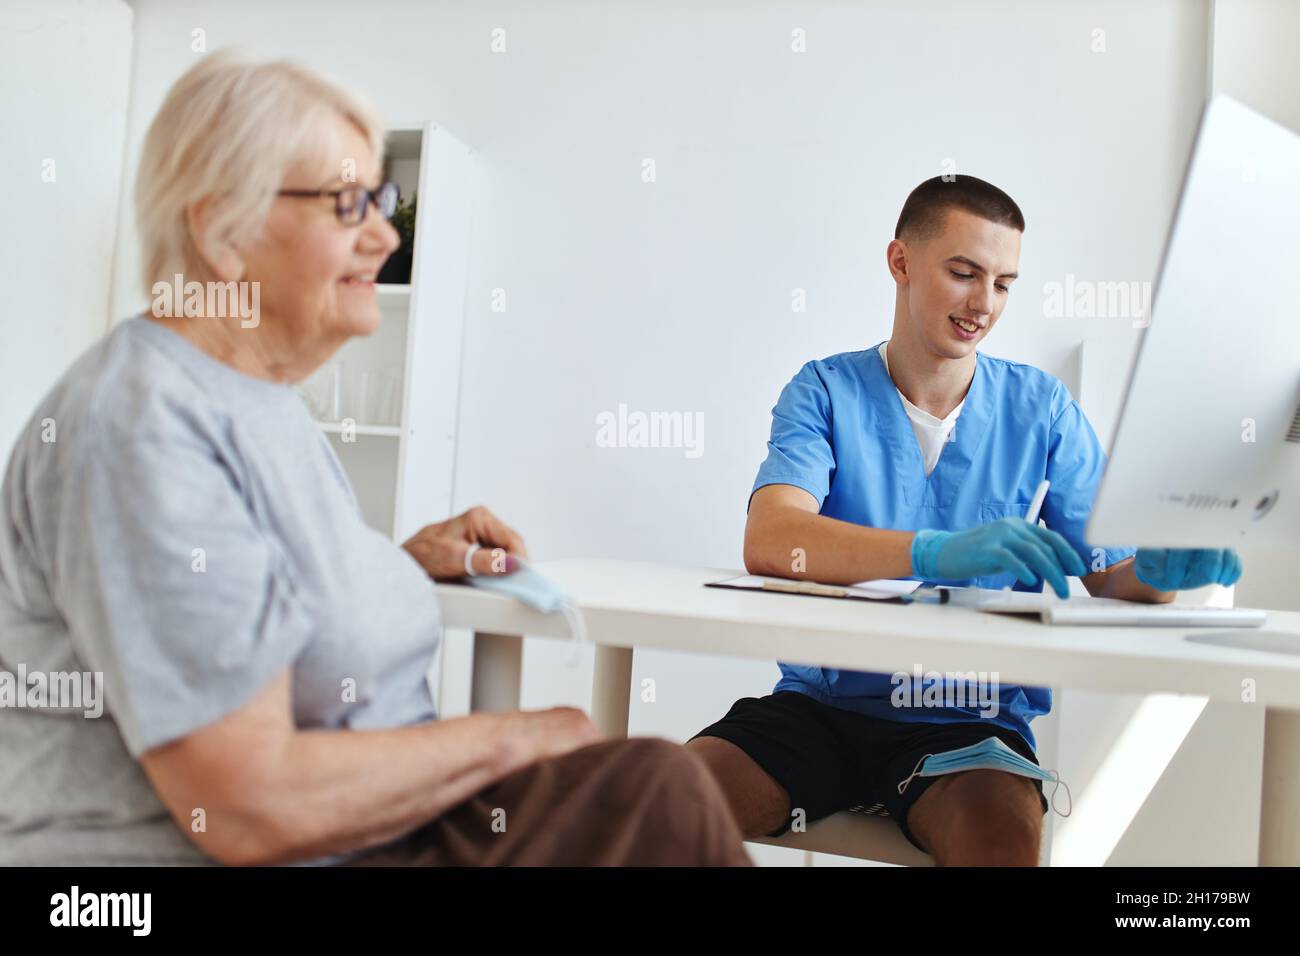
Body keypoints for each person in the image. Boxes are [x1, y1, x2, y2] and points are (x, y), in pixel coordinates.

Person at [0, 50, 750, 868]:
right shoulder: (139, 424)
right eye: (347, 204)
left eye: (380, 200)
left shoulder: (260, 399)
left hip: (370, 837)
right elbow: (245, 804)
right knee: (654, 793)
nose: (386, 235)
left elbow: (247, 599)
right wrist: (517, 738)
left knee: (652, 790)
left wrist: (395, 565)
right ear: (220, 232)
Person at [685, 175, 1242, 866]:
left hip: (968, 721)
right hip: (822, 708)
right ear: (901, 263)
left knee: (999, 848)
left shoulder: (1041, 409)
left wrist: (1158, 574)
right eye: (963, 273)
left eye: (1004, 283)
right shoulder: (825, 391)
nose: (984, 303)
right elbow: (772, 541)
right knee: (655, 808)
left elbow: (1110, 578)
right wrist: (933, 552)